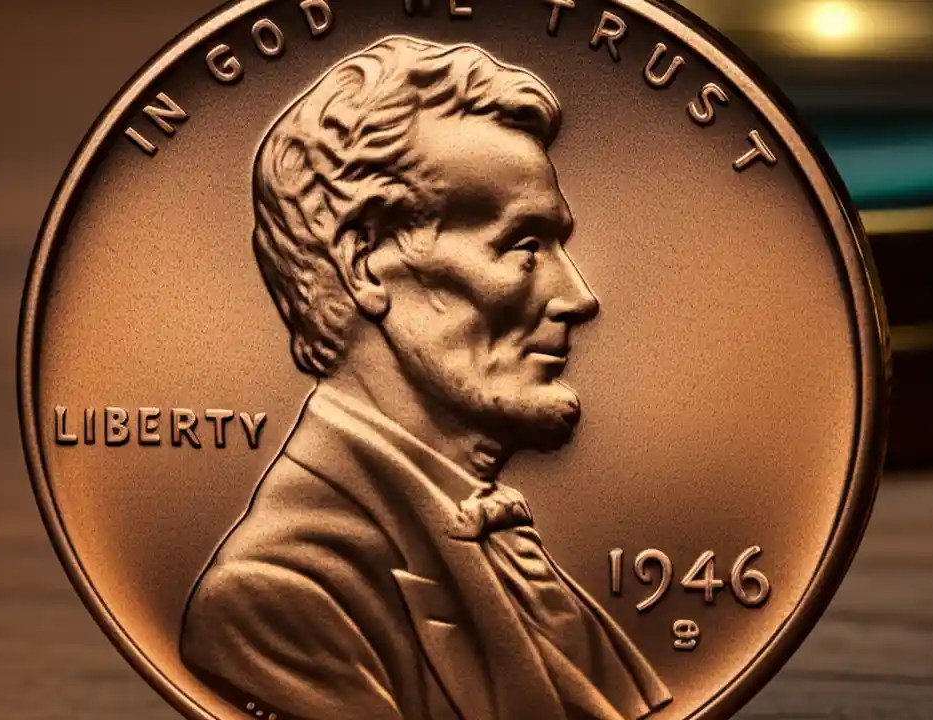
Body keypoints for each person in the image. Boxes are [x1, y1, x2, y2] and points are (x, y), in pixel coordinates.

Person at [180, 35, 672, 720]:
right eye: (524, 246)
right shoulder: (278, 595)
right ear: (366, 261)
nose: (578, 296)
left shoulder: (491, 538)